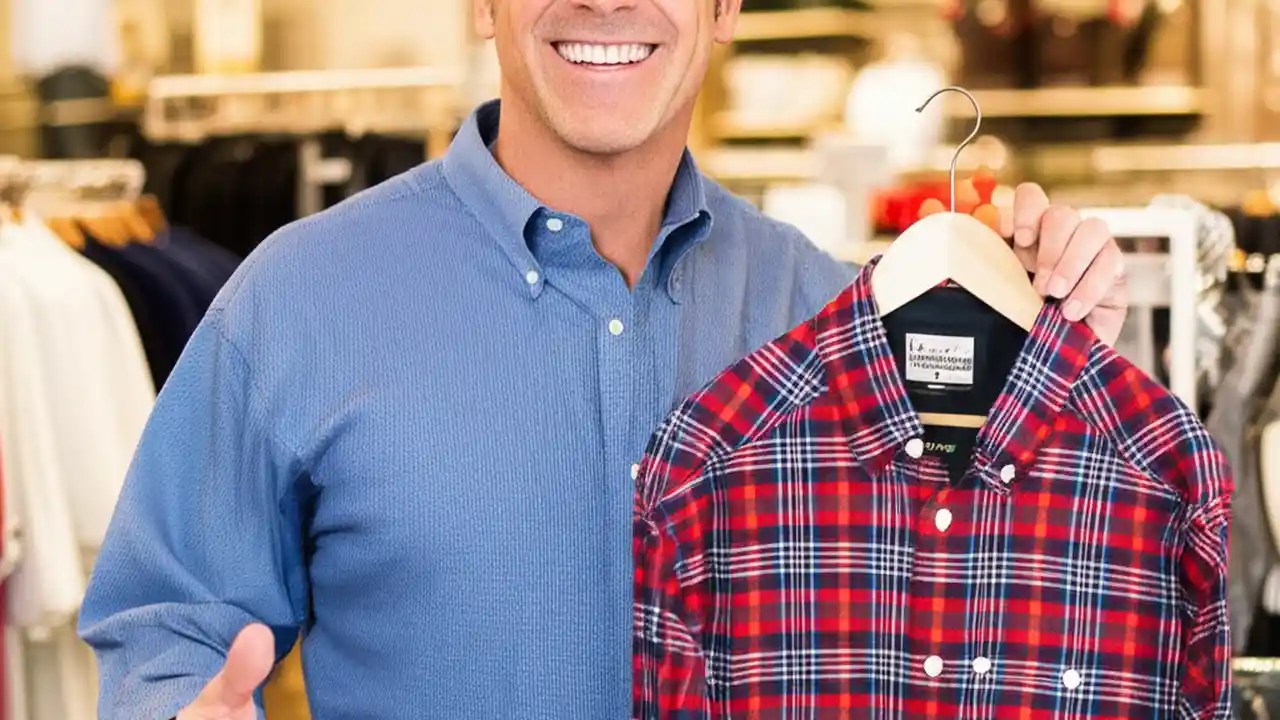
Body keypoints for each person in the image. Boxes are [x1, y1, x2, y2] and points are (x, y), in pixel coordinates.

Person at [78, 1, 1129, 718]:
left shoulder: (843, 317)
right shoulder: (298, 300)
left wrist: (1036, 351)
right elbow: (169, 621)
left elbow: (977, 635)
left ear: (725, 6)